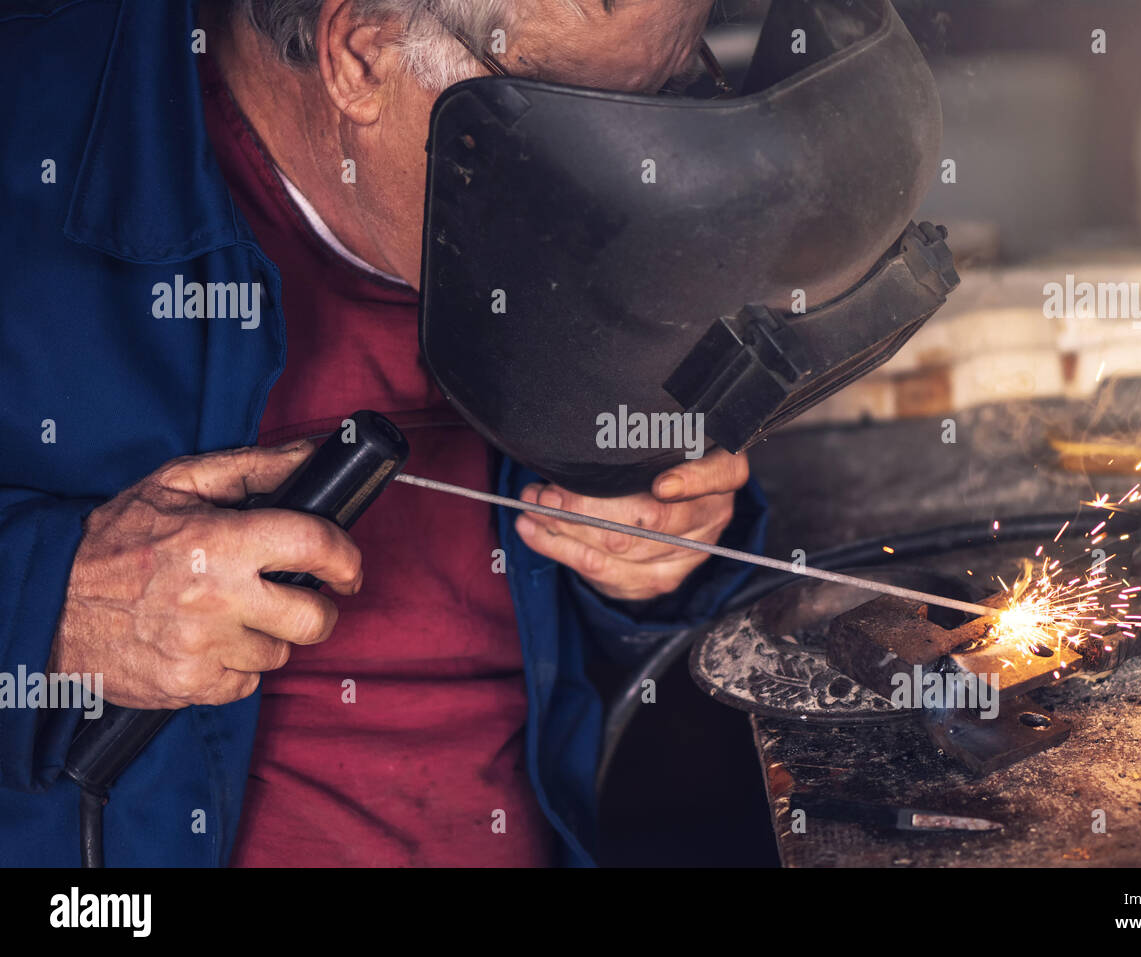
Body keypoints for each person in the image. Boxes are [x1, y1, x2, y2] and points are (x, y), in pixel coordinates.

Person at [0, 0, 764, 866]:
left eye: (665, 94)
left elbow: (679, 643)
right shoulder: (32, 148)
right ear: (363, 54)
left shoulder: (599, 143)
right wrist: (56, 609)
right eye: (571, 123)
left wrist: (661, 552)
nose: (623, 189)